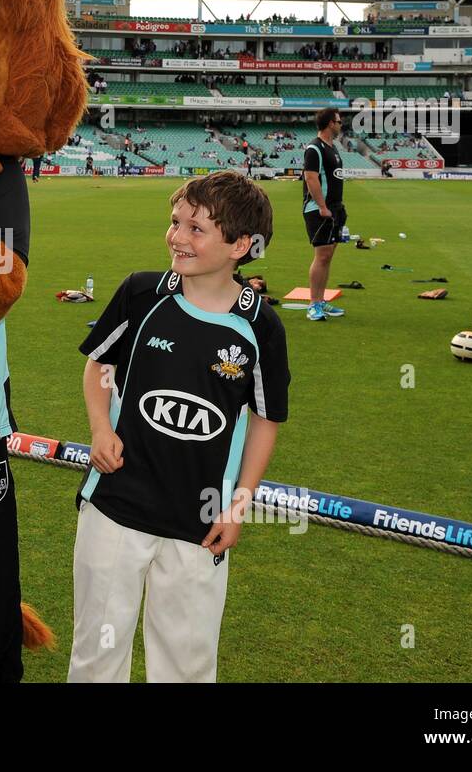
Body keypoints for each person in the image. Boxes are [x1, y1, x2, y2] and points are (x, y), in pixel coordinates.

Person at [70, 171, 289, 682]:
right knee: (97, 653)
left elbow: (265, 420)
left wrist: (238, 506)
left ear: (240, 245)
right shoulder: (142, 293)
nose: (177, 237)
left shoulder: (260, 325)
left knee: (186, 663)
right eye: (175, 223)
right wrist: (101, 428)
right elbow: (99, 366)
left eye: (196, 229)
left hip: (201, 520)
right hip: (116, 503)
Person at [302, 108, 347, 322]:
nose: (341, 124)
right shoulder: (315, 148)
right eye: (339, 121)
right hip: (320, 210)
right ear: (330, 123)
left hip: (335, 208)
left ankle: (320, 301)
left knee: (328, 256)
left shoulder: (333, 148)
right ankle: (313, 304)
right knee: (321, 256)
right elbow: (311, 178)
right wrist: (322, 206)